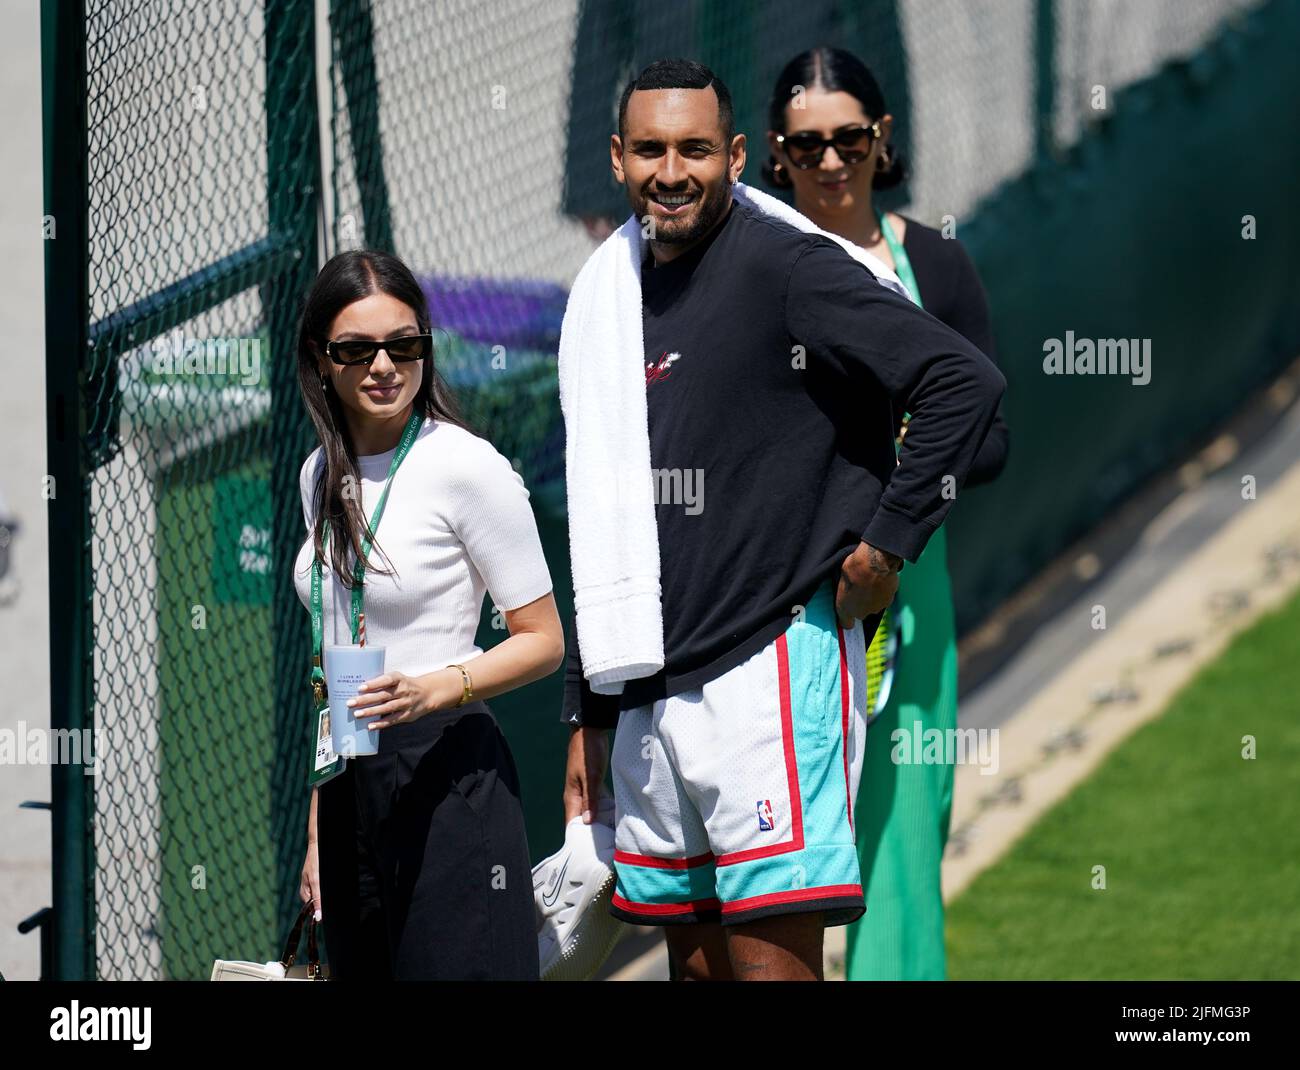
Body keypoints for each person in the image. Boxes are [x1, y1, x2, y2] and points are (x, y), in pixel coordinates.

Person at [560, 58, 1005, 981]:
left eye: (694, 150)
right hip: (648, 682)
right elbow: (605, 509)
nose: (671, 172)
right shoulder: (608, 293)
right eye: (650, 150)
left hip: (768, 665)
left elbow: (962, 383)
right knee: (695, 971)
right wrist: (590, 706)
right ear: (615, 159)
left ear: (732, 156)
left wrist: (887, 543)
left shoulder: (786, 264)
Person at [764, 46, 1010, 981]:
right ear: (775, 153)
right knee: (776, 837)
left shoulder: (934, 263)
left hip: (908, 588)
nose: (832, 162)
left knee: (905, 820)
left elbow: (988, 439)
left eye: (851, 139)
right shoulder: (753, 264)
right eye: (808, 144)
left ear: (883, 139)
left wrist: (905, 474)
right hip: (782, 593)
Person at [292, 250, 564, 980]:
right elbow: (333, 641)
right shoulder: (320, 471)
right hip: (351, 770)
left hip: (444, 761)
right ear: (321, 359)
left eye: (404, 345)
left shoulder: (465, 466)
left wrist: (432, 689)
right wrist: (323, 826)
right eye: (357, 350)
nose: (384, 366)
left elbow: (543, 641)